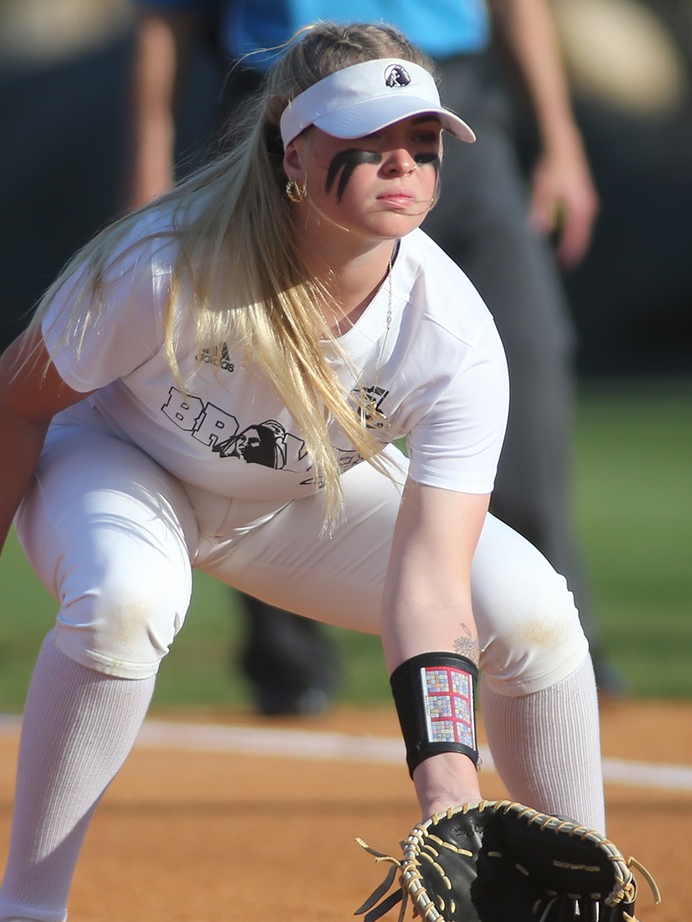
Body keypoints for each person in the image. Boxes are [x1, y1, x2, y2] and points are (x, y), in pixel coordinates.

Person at [0, 22, 692, 922]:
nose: (403, 160)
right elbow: (11, 407)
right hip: (124, 473)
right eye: (371, 137)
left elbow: (430, 589)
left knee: (533, 613)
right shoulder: (169, 263)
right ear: (294, 157)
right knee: (127, 604)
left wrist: (448, 785)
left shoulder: (451, 331)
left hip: (296, 505)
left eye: (424, 137)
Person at [125, 0, 618, 716]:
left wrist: (560, 138)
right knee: (269, 374)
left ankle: (549, 641)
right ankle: (292, 668)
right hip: (292, 98)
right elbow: (165, 18)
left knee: (526, 351)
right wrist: (147, 165)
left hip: (445, 90)